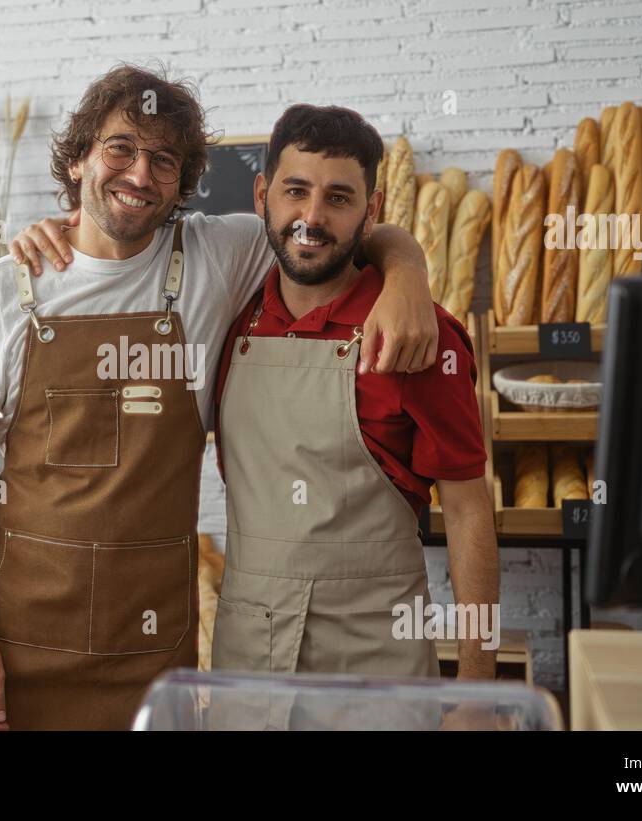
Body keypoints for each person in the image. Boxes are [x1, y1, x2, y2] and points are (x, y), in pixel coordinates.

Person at [0, 64, 437, 731]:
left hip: (151, 659)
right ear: (79, 155)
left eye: (164, 160)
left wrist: (409, 273)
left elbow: (333, 230)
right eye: (120, 148)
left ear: (182, 181)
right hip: (16, 647)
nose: (140, 175)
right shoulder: (2, 290)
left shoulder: (216, 255)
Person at [208, 104, 498, 689]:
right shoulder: (227, 313)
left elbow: (469, 515)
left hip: (377, 660)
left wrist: (477, 686)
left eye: (339, 198)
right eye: (295, 191)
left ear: (373, 209)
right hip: (246, 656)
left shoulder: (419, 337)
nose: (311, 218)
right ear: (263, 193)